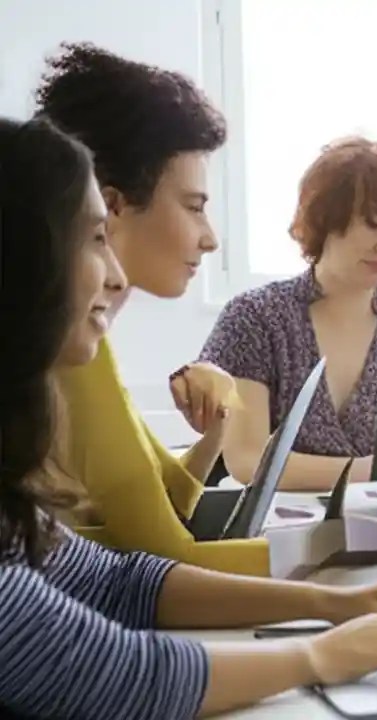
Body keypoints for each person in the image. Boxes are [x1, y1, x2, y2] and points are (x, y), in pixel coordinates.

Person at [0, 114, 377, 720]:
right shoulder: (258, 316)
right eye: (95, 238)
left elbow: (120, 582)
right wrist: (320, 655)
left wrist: (336, 607)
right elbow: (115, 674)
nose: (115, 276)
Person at [35, 42, 262, 573]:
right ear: (112, 206)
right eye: (194, 208)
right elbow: (166, 559)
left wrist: (214, 432)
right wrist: (340, 554)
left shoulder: (86, 338)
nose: (209, 239)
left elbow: (162, 504)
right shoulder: (65, 349)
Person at [199, 136, 377, 491]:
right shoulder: (254, 317)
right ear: (327, 217)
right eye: (373, 223)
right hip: (279, 533)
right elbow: (248, 460)